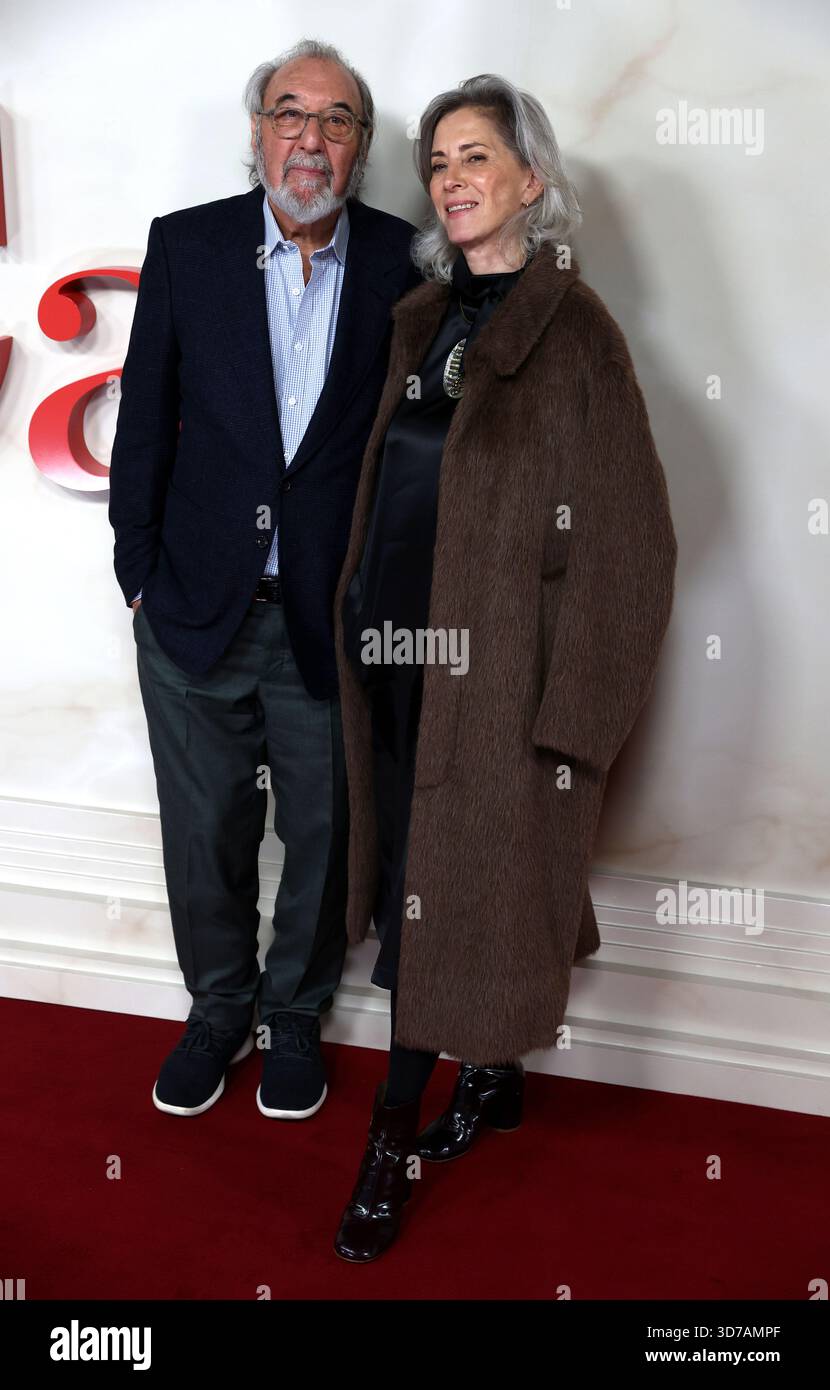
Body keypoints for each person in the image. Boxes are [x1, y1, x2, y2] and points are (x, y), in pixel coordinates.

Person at [332, 73, 678, 1261]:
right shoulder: (419, 320)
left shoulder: (575, 332)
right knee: (421, 891)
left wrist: (570, 725)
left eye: (475, 156)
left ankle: (390, 1135)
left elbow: (630, 546)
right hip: (395, 662)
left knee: (458, 900)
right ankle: (495, 1076)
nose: (450, 179)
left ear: (531, 178)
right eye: (435, 162)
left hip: (498, 685)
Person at [108, 39, 419, 1121]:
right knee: (204, 832)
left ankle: (294, 1018)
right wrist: (135, 573)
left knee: (327, 832)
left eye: (336, 122)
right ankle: (216, 1011)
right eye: (291, 113)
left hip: (324, 620)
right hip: (192, 607)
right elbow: (143, 423)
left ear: (360, 147)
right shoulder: (188, 248)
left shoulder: (403, 261)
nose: (310, 138)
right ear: (257, 132)